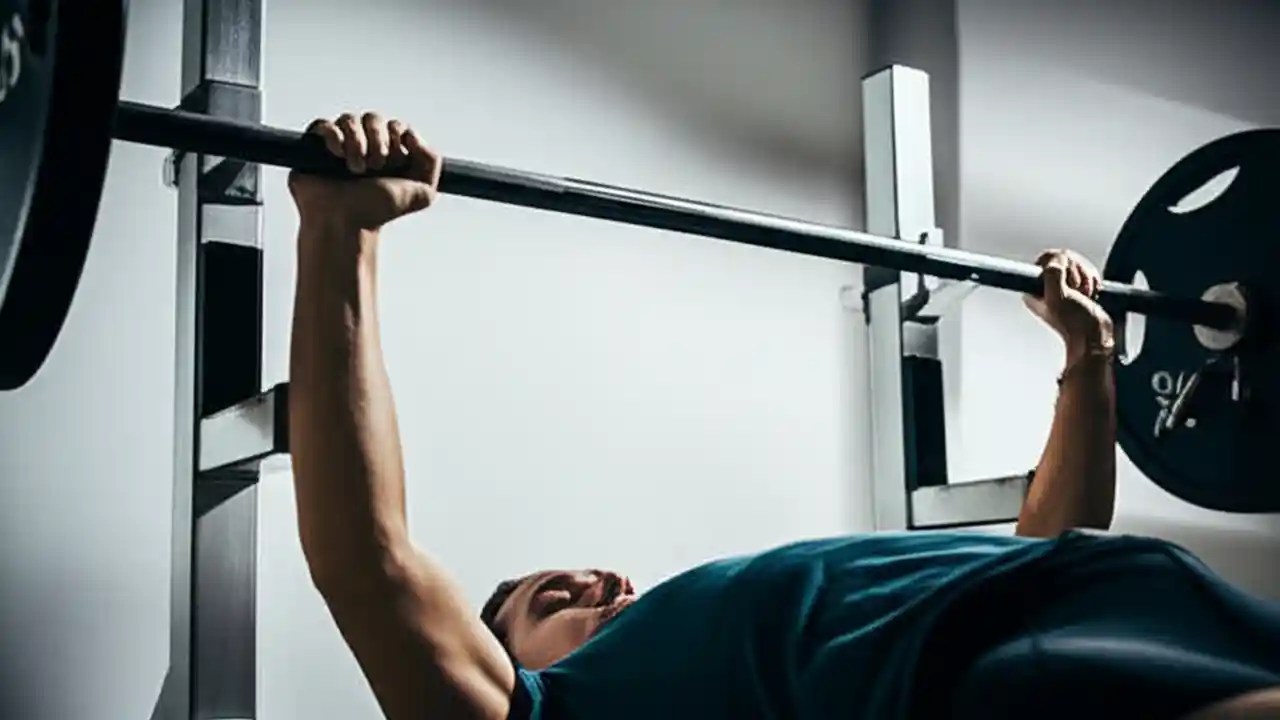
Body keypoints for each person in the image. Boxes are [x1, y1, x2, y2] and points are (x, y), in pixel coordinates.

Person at [285, 111, 1280, 720]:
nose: (595, 578)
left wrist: (1088, 355)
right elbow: (367, 566)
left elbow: (1051, 540)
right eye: (551, 600)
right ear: (490, 665)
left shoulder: (719, 627)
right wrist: (343, 237)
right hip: (1002, 681)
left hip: (1145, 605)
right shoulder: (546, 714)